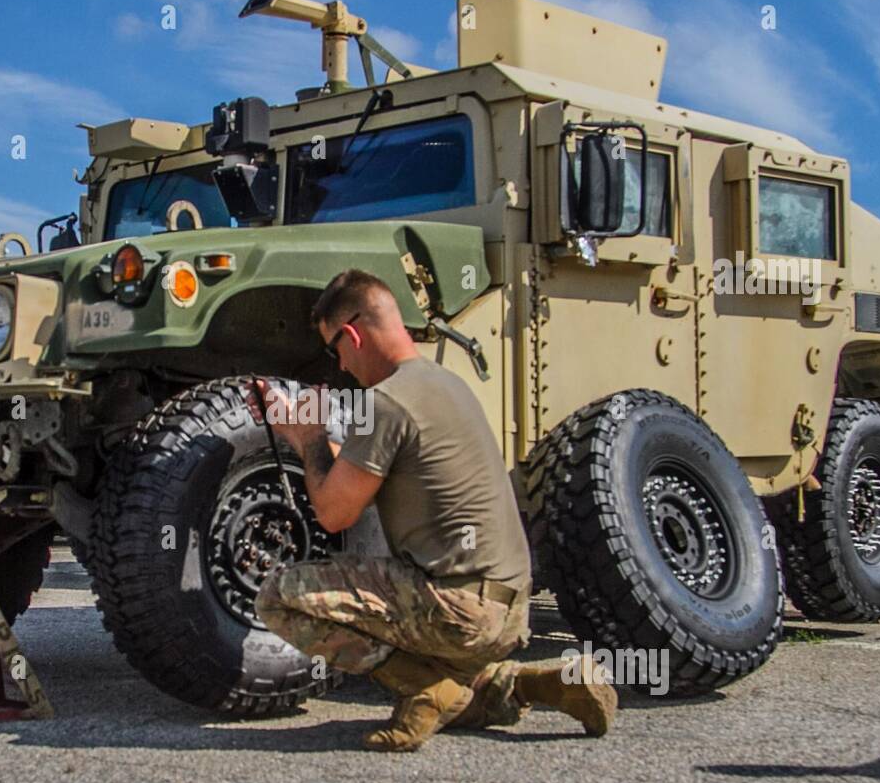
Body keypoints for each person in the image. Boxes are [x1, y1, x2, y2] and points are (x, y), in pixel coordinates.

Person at [254, 269, 617, 752]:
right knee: (446, 655)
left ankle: (425, 691)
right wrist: (303, 434)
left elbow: (335, 513)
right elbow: (361, 476)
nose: (339, 366)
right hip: (508, 611)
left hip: (457, 612)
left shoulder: (386, 402)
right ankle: (544, 685)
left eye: (334, 349)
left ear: (354, 334)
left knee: (278, 597)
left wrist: (310, 437)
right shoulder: (441, 384)